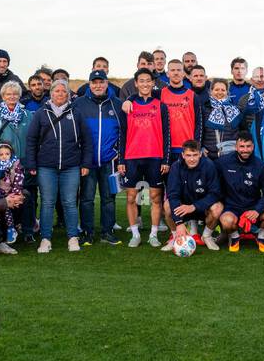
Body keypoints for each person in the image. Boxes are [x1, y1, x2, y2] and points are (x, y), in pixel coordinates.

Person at [25, 80, 85, 253]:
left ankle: (73, 237)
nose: (60, 94)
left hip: (71, 166)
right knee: (48, 203)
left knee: (69, 202)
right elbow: (31, 140)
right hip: (46, 166)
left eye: (63, 91)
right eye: (56, 91)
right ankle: (45, 239)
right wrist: (31, 163)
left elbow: (86, 140)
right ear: (50, 93)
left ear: (68, 94)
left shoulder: (76, 113)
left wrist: (85, 163)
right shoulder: (40, 113)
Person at [117, 69, 171, 248]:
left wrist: (165, 159)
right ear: (136, 83)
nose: (145, 84)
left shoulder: (160, 105)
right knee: (132, 197)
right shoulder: (128, 106)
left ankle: (153, 235)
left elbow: (166, 134)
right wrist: (121, 160)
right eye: (142, 81)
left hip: (155, 157)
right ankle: (135, 234)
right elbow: (122, 134)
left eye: (148, 81)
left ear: (152, 83)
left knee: (156, 197)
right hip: (132, 157)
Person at [76, 70, 122, 245]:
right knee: (86, 198)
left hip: (109, 161)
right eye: (94, 82)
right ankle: (87, 232)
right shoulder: (79, 104)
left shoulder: (117, 104)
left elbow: (123, 132)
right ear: (89, 84)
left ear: (107, 83)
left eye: (101, 82)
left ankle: (107, 231)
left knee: (108, 198)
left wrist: (119, 155)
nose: (98, 85)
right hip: (87, 162)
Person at [0, 81, 34, 241]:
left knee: (26, 196)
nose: (12, 97)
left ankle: (27, 230)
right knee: (4, 198)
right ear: (3, 96)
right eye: (8, 94)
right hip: (4, 167)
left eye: (15, 94)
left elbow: (34, 139)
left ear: (20, 96)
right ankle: (5, 230)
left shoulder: (28, 115)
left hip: (24, 163)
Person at [217, 134, 264, 251]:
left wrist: (257, 210)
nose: (245, 150)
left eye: (248, 146)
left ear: (253, 147)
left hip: (253, 207)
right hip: (232, 207)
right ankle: (235, 237)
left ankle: (260, 237)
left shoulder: (261, 166)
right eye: (242, 146)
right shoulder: (223, 163)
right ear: (236, 147)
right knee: (226, 221)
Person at [164, 140, 224, 250]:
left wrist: (194, 206)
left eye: (195, 155)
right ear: (183, 155)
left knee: (218, 207)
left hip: (202, 208)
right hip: (183, 208)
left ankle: (207, 236)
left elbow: (215, 193)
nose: (192, 159)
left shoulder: (209, 165)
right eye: (188, 155)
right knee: (167, 206)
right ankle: (175, 236)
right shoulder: (176, 167)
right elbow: (173, 195)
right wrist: (179, 223)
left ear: (200, 154)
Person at [160, 59, 207, 161]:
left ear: (183, 73)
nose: (176, 73)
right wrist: (129, 100)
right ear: (167, 74)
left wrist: (196, 147)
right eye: (172, 70)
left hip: (188, 149)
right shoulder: (160, 94)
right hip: (166, 148)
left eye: (179, 70)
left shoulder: (193, 95)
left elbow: (199, 124)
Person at [0, 141, 27, 243]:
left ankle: (11, 229)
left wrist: (14, 194)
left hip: (10, 194)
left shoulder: (15, 165)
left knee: (6, 210)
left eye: (7, 154)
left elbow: (18, 181)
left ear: (11, 154)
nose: (4, 156)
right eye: (1, 154)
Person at [201, 78, 247, 160]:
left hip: (231, 155)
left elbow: (244, 131)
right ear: (211, 91)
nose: (220, 92)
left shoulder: (236, 110)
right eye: (216, 89)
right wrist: (200, 147)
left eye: (223, 90)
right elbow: (199, 130)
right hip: (209, 155)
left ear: (227, 92)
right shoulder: (204, 109)